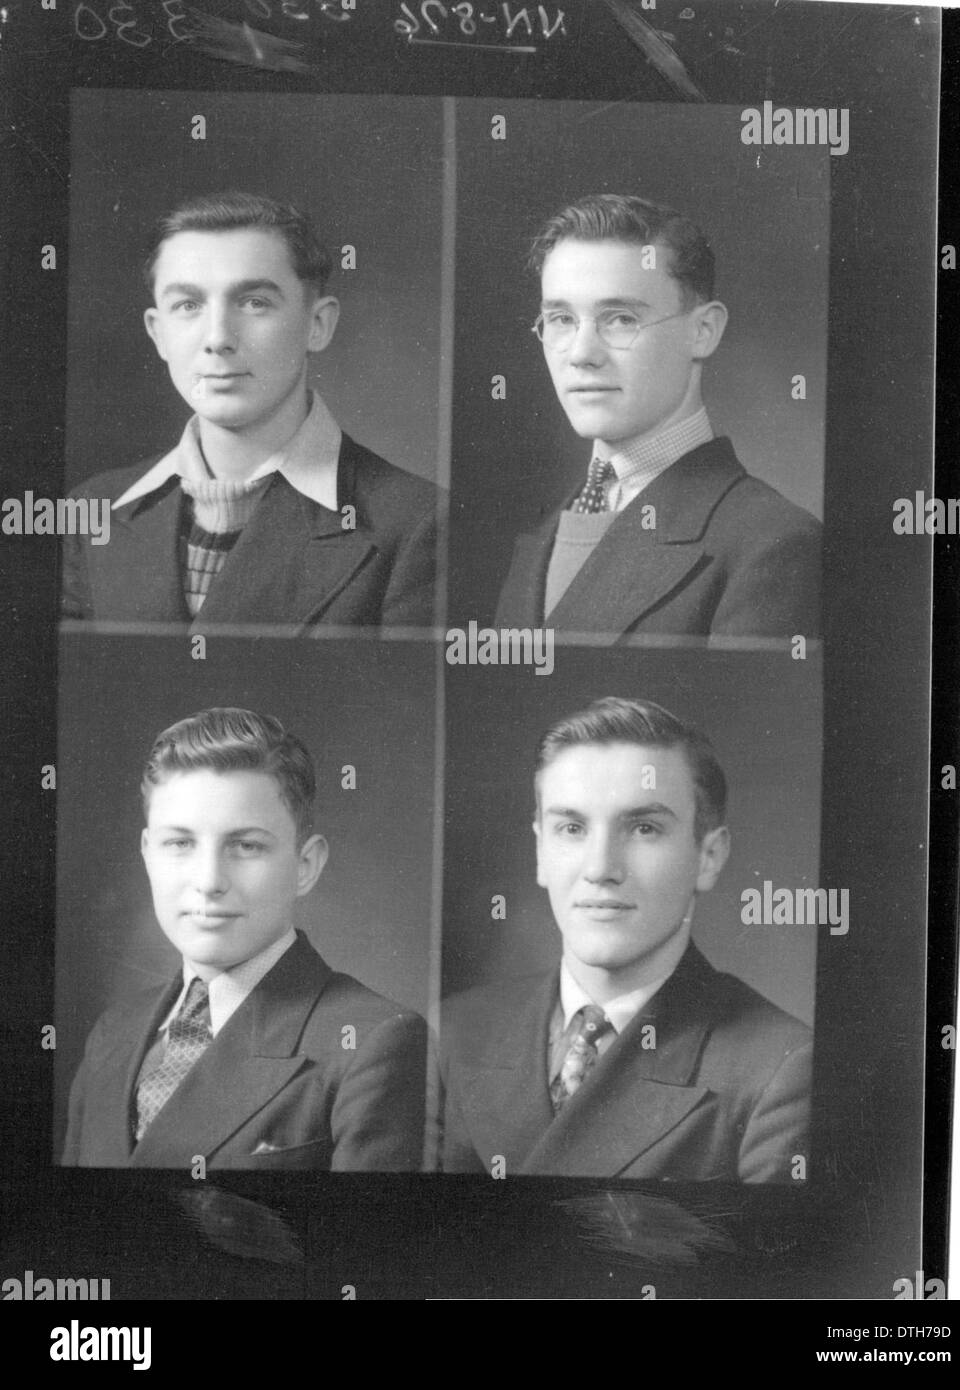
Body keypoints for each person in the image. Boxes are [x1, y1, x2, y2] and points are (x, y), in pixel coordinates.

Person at [439, 697, 811, 1181]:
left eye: (643, 828)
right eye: (571, 827)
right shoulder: (453, 1030)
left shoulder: (779, 1069)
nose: (600, 869)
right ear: (540, 852)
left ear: (709, 856)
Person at [62, 707, 428, 1170]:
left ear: (305, 866)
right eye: (180, 843)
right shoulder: (113, 1032)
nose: (209, 880)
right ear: (148, 854)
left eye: (246, 845)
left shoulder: (376, 1043)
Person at [62, 192, 439, 633]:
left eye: (254, 302)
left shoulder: (419, 521)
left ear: (317, 325)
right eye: (188, 305)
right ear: (158, 333)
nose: (218, 338)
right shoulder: (89, 510)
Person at [493, 195, 821, 642]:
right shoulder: (538, 541)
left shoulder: (774, 543)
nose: (581, 354)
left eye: (621, 319)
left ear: (703, 331)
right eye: (561, 319)